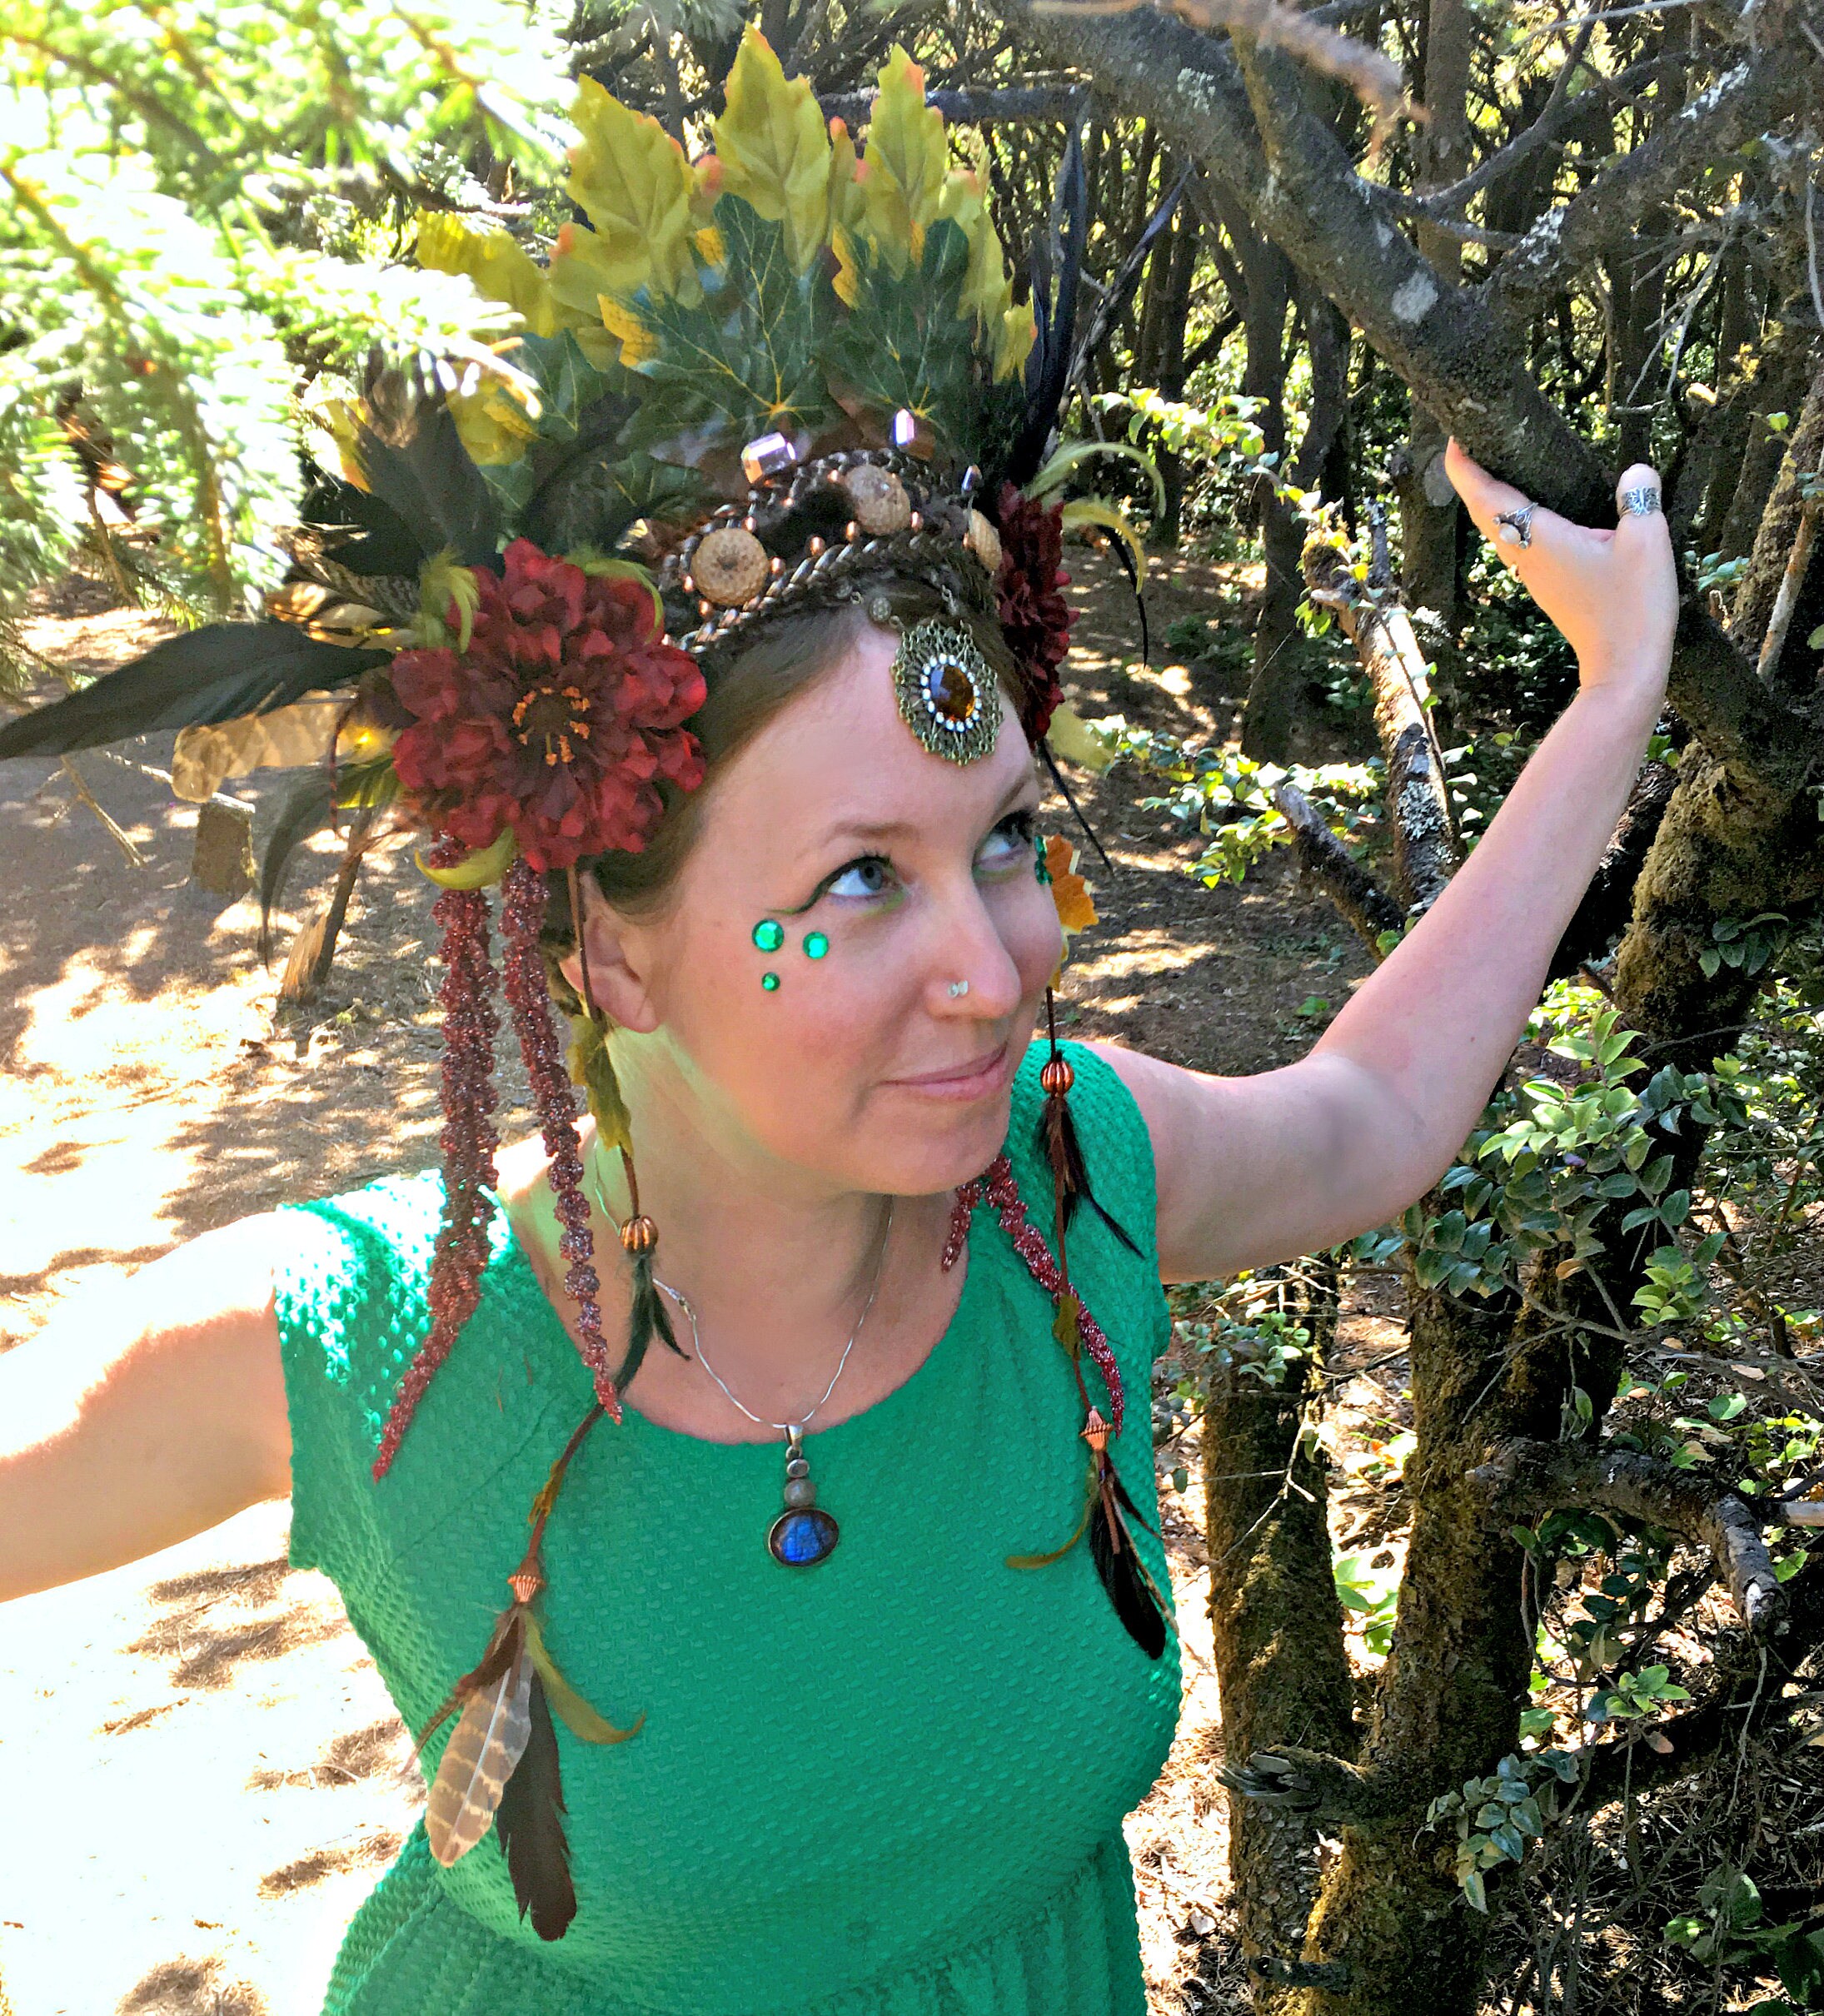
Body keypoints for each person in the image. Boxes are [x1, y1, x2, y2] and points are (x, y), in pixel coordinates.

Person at [0, 32, 1677, 2016]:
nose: (999, 963)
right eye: (861, 879)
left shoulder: (1075, 1178)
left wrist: (1613, 690)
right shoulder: (378, 1345)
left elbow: (1376, 1107)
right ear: (607, 956)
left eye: (1002, 847)